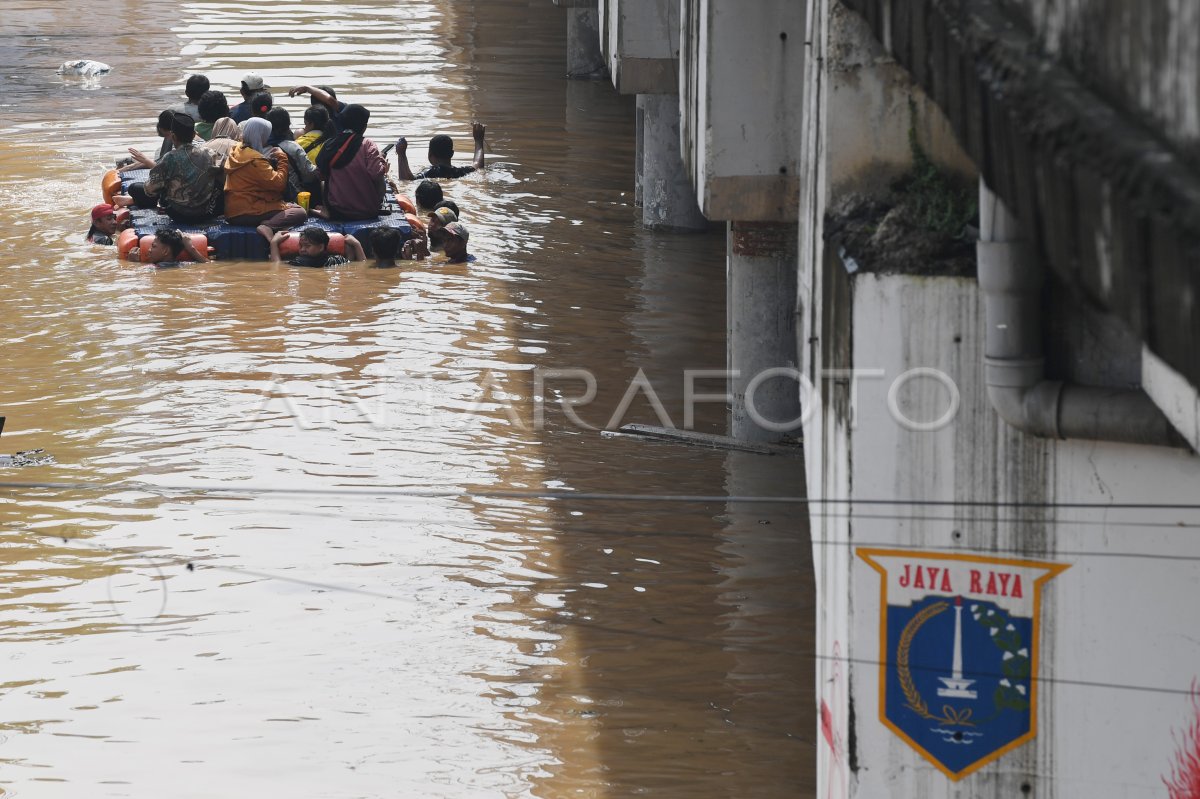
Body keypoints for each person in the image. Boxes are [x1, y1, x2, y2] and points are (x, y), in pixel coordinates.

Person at [116, 112, 224, 223]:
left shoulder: (170, 158)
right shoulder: (210, 153)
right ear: (193, 135)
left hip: (178, 214)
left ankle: (133, 200)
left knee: (134, 188)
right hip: (205, 212)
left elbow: (150, 190)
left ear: (173, 136)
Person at [223, 117, 307, 244]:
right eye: (266, 135)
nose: (267, 138)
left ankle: (270, 222)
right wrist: (282, 159)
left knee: (288, 205)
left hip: (233, 211)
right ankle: (268, 226)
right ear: (259, 135)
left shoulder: (237, 150)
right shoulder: (255, 160)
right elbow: (278, 184)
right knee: (300, 212)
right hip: (248, 211)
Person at [316, 104, 388, 221]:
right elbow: (376, 174)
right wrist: (382, 164)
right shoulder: (368, 144)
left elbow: (320, 174)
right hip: (368, 211)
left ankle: (325, 210)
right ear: (364, 127)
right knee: (381, 175)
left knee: (324, 182)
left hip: (337, 211)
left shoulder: (329, 143)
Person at [396, 123, 486, 181]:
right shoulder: (459, 172)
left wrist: (401, 154)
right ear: (452, 154)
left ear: (430, 155)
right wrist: (478, 140)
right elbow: (478, 165)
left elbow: (407, 180)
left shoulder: (431, 172)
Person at [267, 108, 320, 203]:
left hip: (269, 197)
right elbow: (309, 174)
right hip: (295, 197)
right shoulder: (293, 147)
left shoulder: (258, 147)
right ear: (288, 126)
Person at [269, 227, 364, 267]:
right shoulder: (336, 260)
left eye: (307, 246)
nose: (302, 249)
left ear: (321, 247)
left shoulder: (299, 262)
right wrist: (356, 244)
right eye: (300, 245)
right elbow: (361, 265)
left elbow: (276, 265)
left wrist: (273, 243)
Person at [127, 226, 209, 265]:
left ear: (165, 251)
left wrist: (133, 263)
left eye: (153, 246)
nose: (149, 250)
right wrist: (191, 249)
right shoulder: (184, 265)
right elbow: (207, 264)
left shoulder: (153, 268)